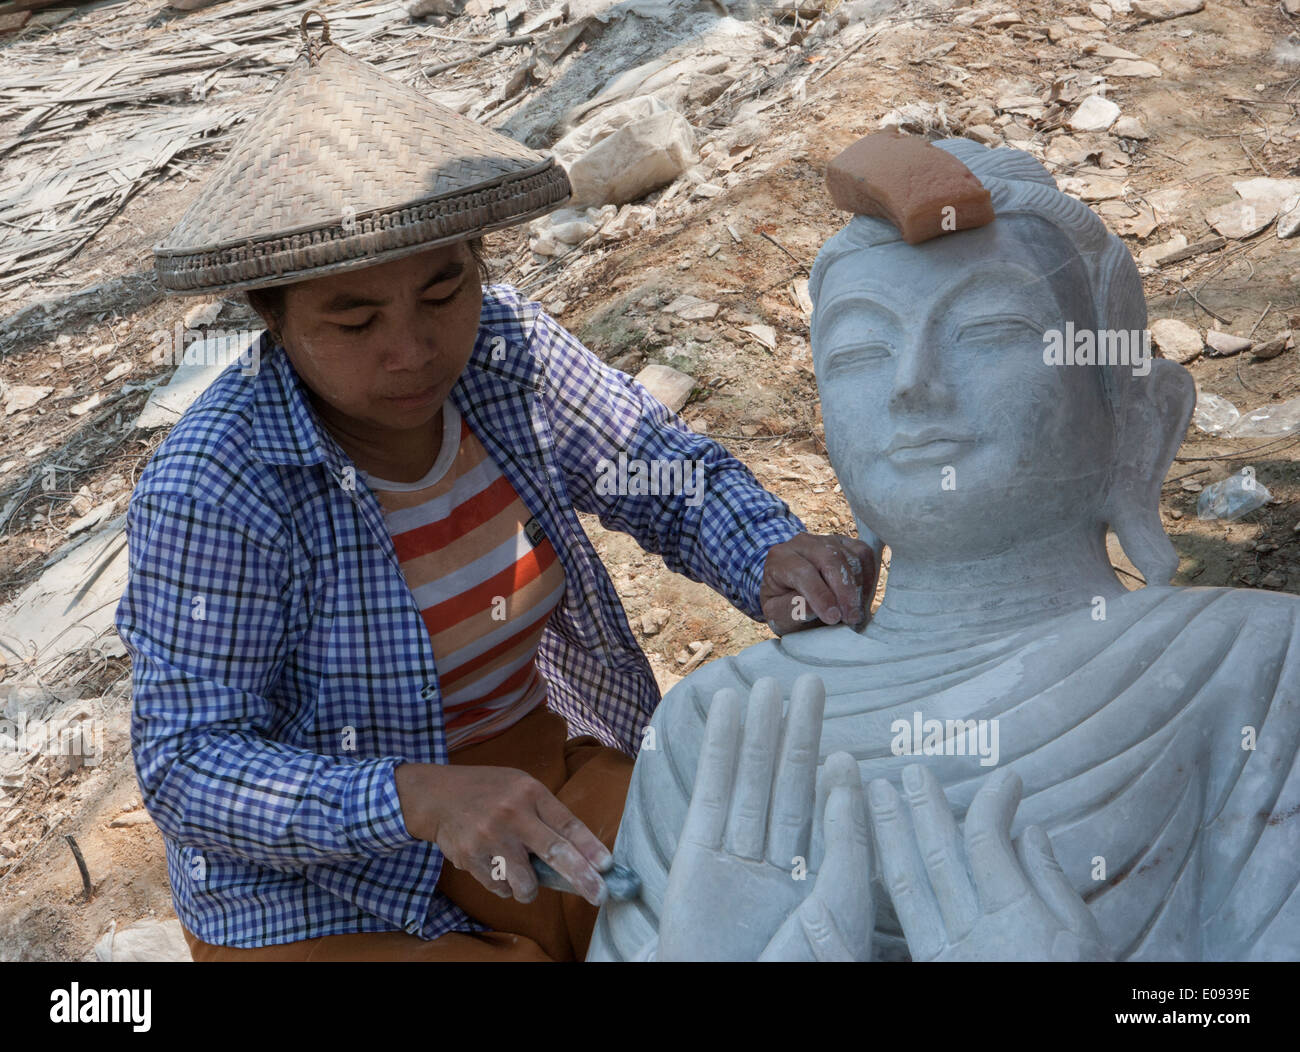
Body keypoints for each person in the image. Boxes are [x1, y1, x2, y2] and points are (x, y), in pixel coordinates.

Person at [115, 11, 874, 961]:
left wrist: (771, 554)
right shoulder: (216, 482)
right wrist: (418, 798)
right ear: (272, 318)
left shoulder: (505, 354)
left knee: (765, 889)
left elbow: (667, 476)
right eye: (354, 322)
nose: (414, 349)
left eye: (443, 292)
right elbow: (189, 767)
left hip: (528, 775)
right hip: (318, 889)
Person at [590, 135, 1300, 962]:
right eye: (859, 350)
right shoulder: (719, 723)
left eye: (990, 328)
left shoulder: (1257, 664)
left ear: (1139, 418)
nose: (911, 384)